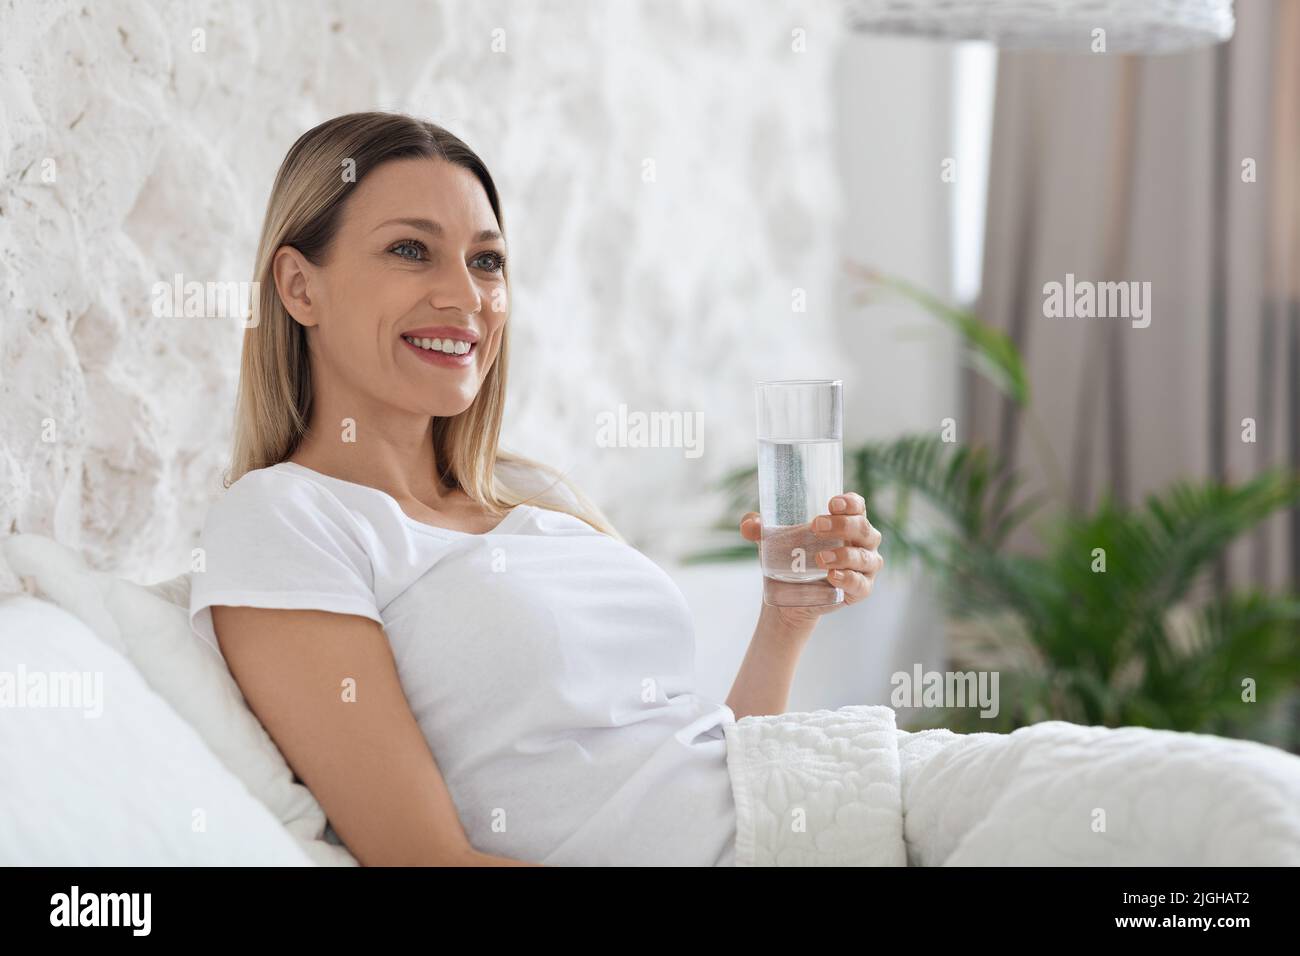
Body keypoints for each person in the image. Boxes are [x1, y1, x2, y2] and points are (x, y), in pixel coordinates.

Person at [188, 111, 885, 867]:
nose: (465, 296)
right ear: (299, 287)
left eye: (486, 262)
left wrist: (784, 620)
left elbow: (713, 775)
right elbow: (427, 862)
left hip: (821, 803)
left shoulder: (534, 495)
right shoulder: (286, 521)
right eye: (410, 250)